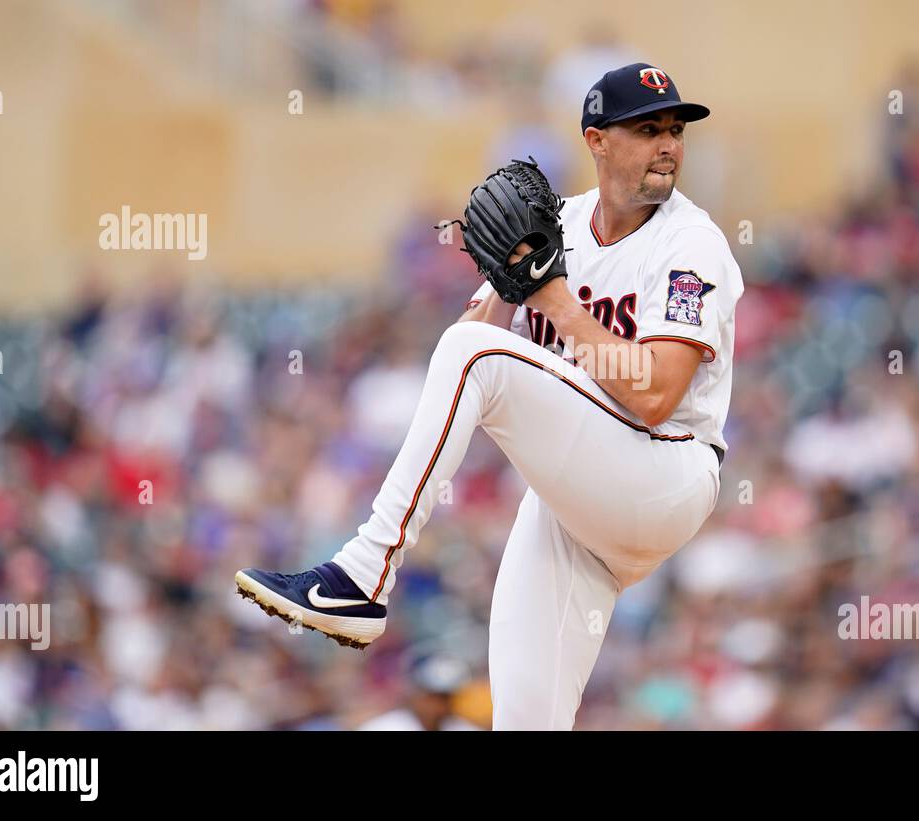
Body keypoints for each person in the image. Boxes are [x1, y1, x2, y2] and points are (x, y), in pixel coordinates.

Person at [236, 63, 744, 730]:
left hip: (664, 472)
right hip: (580, 501)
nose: (669, 144)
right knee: (524, 719)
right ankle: (361, 578)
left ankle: (363, 572)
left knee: (471, 355)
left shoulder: (690, 242)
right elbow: (471, 342)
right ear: (596, 140)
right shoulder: (557, 223)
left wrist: (551, 294)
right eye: (648, 129)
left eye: (675, 130)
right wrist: (512, 284)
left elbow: (654, 395)